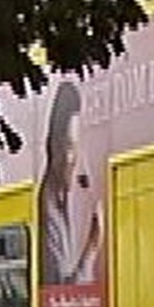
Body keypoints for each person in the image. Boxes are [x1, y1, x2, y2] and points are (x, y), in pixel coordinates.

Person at [38, 80, 102, 286]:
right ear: (51, 146)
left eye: (73, 147)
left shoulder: (62, 197)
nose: (69, 158)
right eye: (63, 146)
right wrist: (93, 245)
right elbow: (61, 290)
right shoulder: (48, 205)